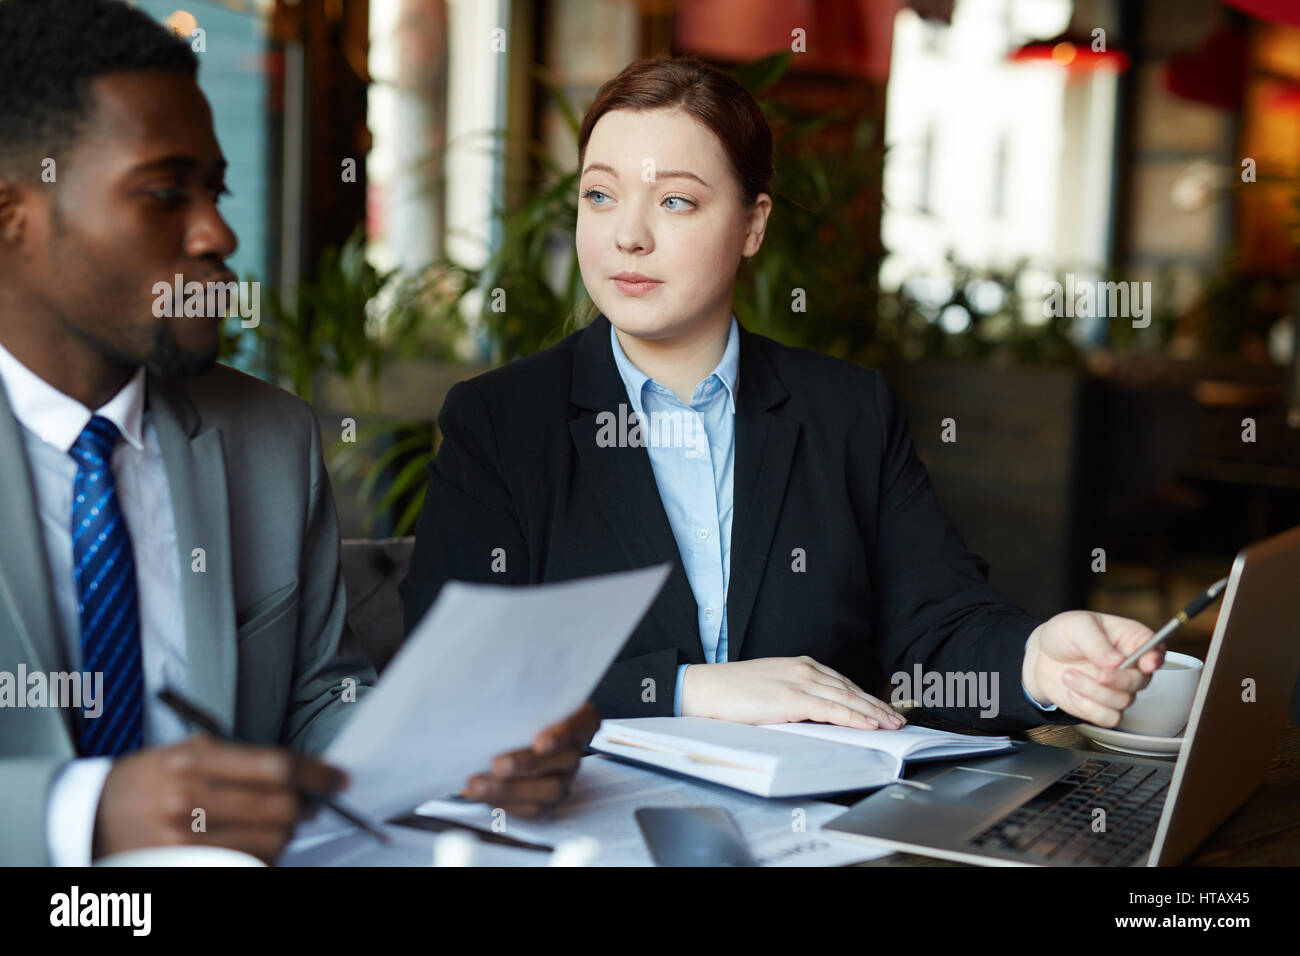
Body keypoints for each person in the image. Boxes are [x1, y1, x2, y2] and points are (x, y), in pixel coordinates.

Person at [400, 55, 1166, 733]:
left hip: (832, 833)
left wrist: (1038, 662)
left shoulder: (847, 412)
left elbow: (935, 625)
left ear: (752, 225)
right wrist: (686, 689)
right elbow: (453, 669)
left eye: (675, 201)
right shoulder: (501, 421)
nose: (627, 236)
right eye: (600, 197)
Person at [0, 0, 596, 867]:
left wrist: (459, 751)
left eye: (216, 190)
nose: (218, 233)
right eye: (166, 192)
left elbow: (319, 698)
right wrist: (85, 812)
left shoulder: (267, 439)